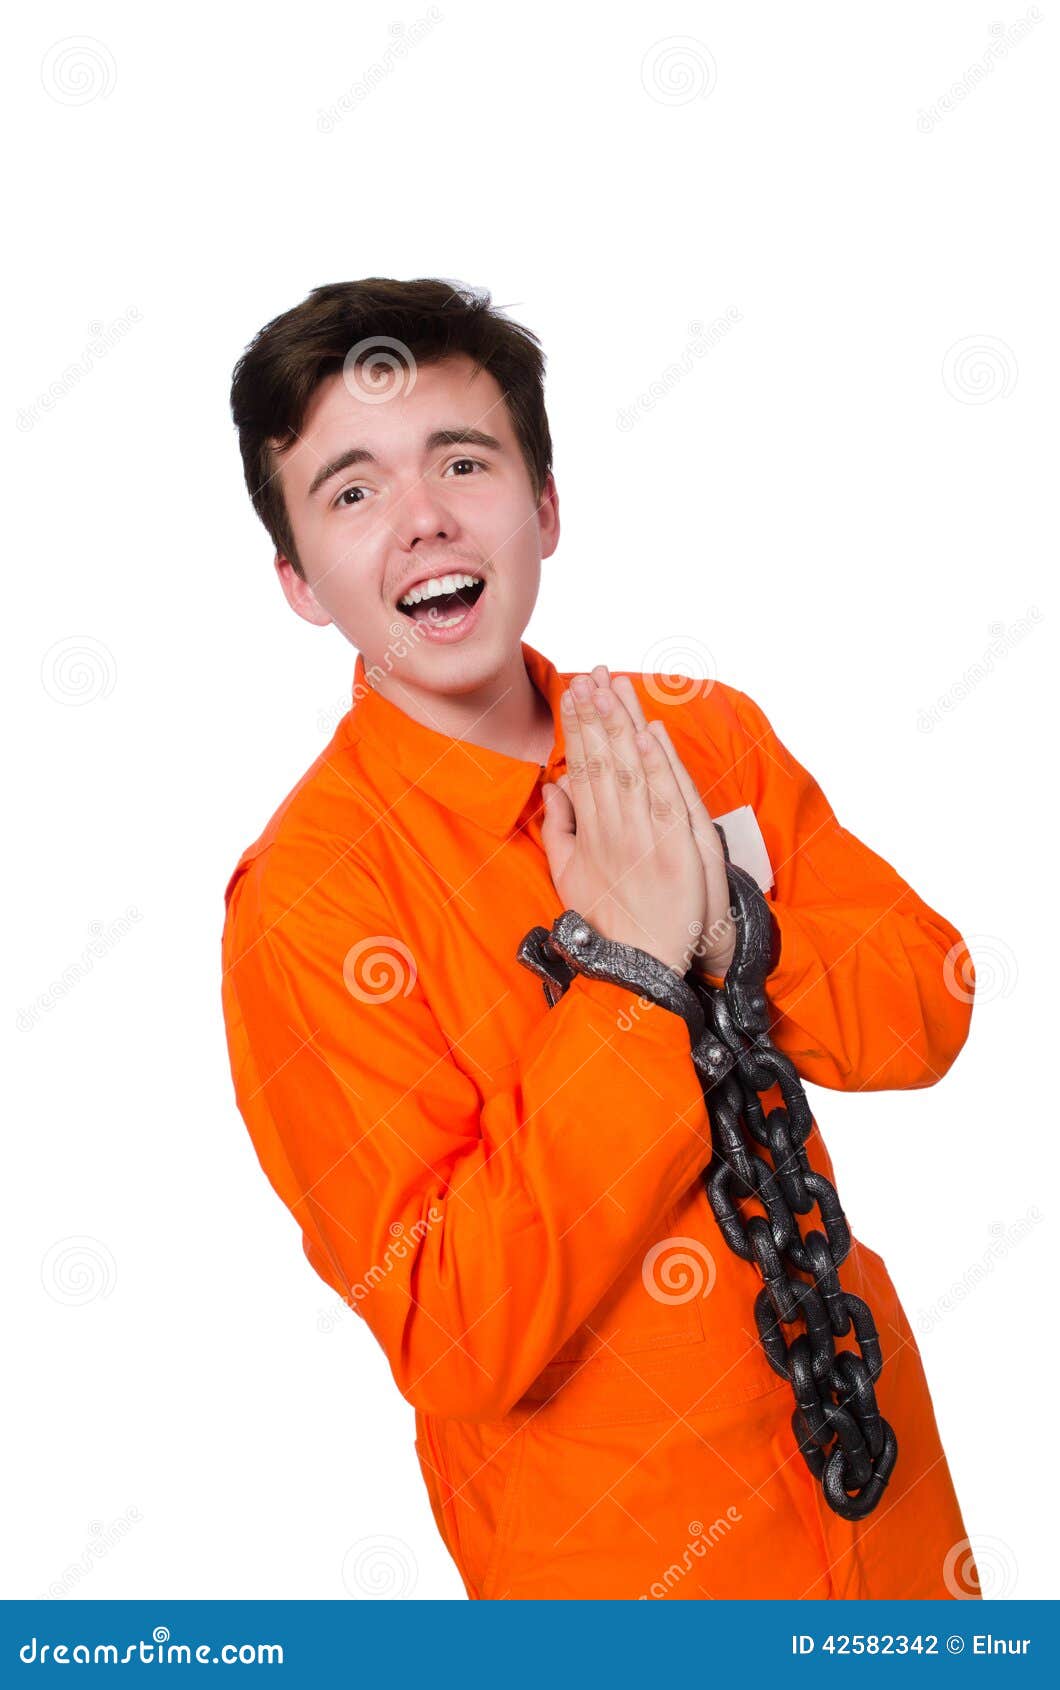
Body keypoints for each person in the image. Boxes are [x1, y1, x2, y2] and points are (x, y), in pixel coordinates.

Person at [220, 278, 981, 1600]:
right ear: (297, 579)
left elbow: (929, 1003)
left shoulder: (701, 735)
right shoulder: (310, 903)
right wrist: (630, 976)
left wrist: (721, 926)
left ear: (546, 506)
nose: (425, 520)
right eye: (352, 493)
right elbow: (458, 1326)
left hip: (886, 1515)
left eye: (464, 461)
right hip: (628, 1584)